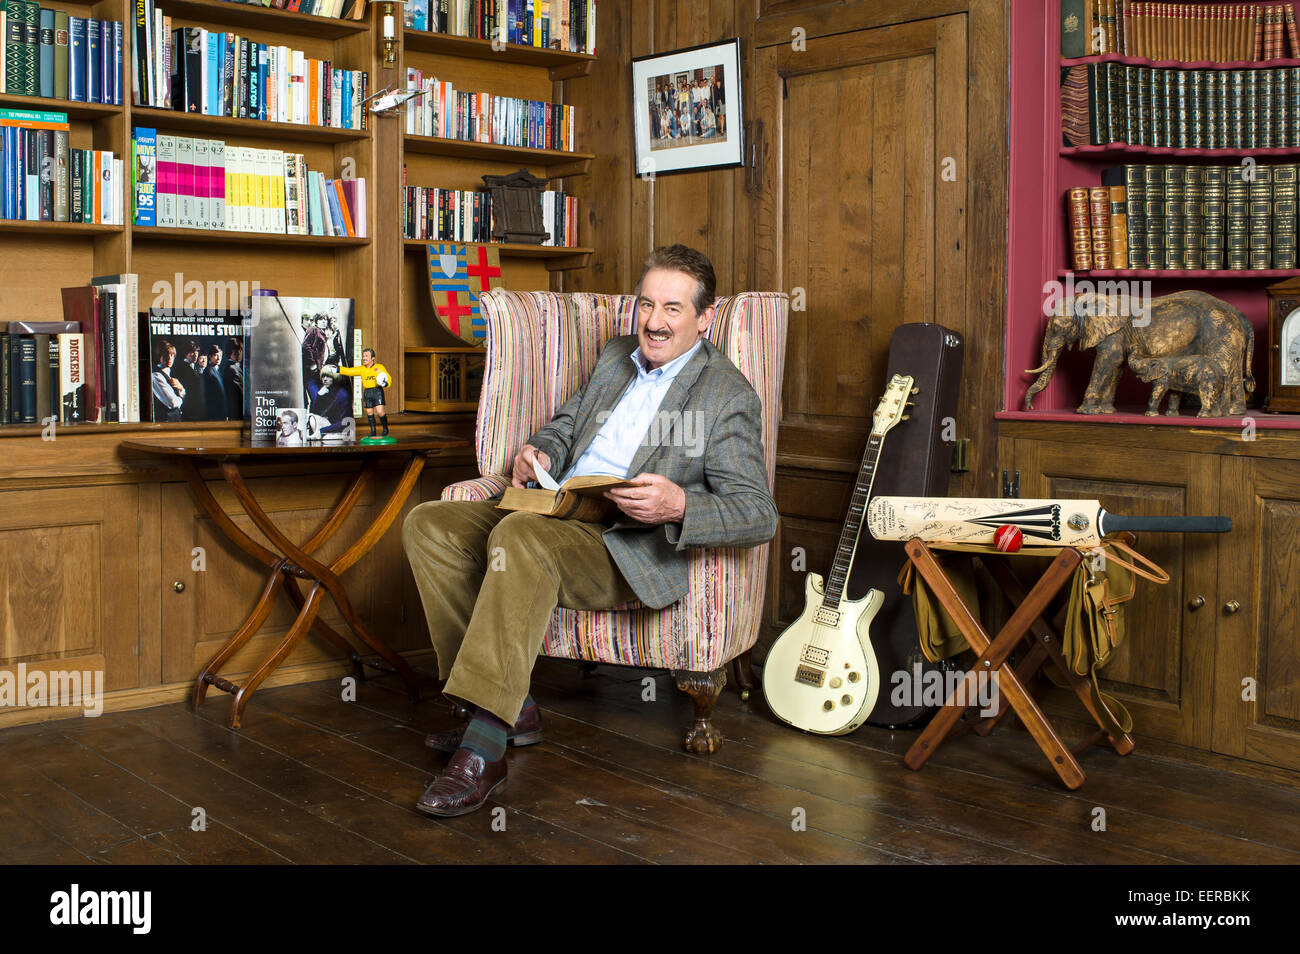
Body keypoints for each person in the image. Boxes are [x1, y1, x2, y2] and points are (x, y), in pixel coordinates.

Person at [402, 244, 777, 817]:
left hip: (624, 543)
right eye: (647, 304)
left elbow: (757, 513)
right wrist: (538, 451)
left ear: (704, 318)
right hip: (555, 506)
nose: (654, 322)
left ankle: (484, 745)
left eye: (673, 309)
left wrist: (678, 504)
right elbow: (567, 423)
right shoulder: (616, 354)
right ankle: (511, 705)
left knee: (518, 538)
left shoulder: (726, 395)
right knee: (430, 524)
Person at [334, 348, 391, 439]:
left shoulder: (379, 367)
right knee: (369, 411)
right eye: (363, 356)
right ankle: (373, 431)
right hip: (367, 392)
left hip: (377, 391)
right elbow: (350, 371)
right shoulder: (362, 369)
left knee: (380, 411)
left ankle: (385, 428)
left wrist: (386, 383)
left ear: (372, 358)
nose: (364, 358)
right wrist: (338, 369)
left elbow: (387, 377)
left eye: (366, 356)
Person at [151, 341, 185, 423]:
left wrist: (181, 388)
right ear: (160, 357)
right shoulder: (156, 375)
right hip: (165, 422)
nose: (170, 359)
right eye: (166, 355)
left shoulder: (169, 374)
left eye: (172, 355)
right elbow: (173, 403)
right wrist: (182, 396)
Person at [201, 343, 228, 420]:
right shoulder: (208, 372)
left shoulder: (217, 371)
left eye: (221, 356)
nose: (219, 358)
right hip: (214, 414)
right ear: (210, 356)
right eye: (216, 355)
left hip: (220, 412)